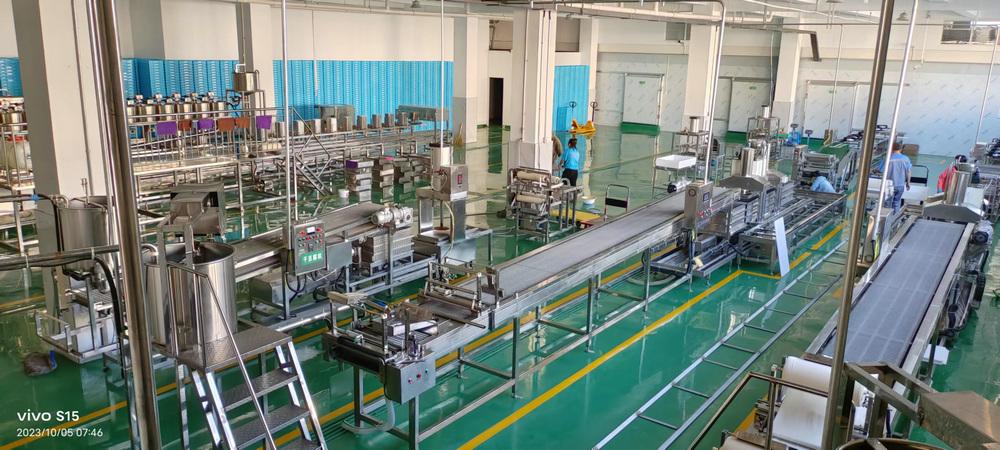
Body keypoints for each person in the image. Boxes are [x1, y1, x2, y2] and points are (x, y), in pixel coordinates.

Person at [886, 143, 912, 214]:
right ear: (900, 149)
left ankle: (886, 218)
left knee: (887, 203)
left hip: (888, 185)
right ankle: (895, 218)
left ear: (891, 148)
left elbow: (880, 170)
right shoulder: (906, 159)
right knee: (896, 202)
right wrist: (908, 183)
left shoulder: (888, 158)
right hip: (900, 185)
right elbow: (909, 172)